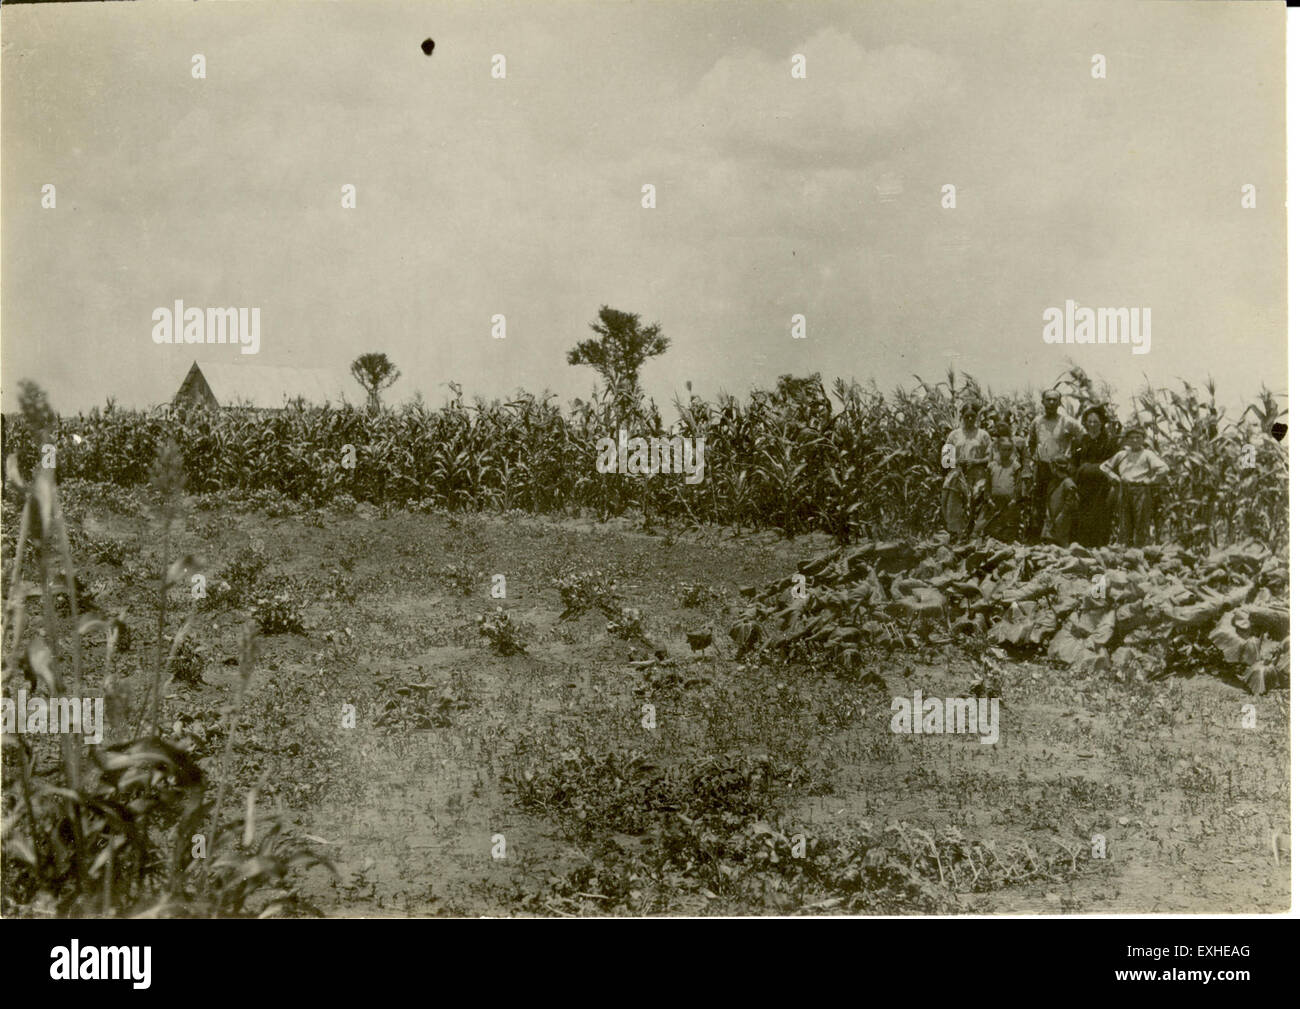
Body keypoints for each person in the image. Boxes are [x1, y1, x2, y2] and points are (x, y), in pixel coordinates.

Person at [1028, 390, 1084, 541]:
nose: (1051, 403)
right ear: (1043, 402)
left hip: (1061, 469)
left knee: (1060, 504)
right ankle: (1041, 539)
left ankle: (1061, 539)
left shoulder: (1067, 421)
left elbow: (1083, 438)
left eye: (1054, 400)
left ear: (1059, 403)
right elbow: (1032, 443)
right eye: (1048, 400)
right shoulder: (1037, 422)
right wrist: (1035, 460)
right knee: (1040, 503)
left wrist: (1073, 460)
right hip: (1043, 468)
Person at [1101, 426, 1170, 547]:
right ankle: (1125, 553)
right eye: (1131, 438)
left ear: (1143, 439)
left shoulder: (1147, 454)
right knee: (1124, 521)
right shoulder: (1122, 454)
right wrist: (1114, 477)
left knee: (1141, 522)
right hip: (1125, 489)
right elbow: (1104, 467)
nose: (1134, 440)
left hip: (1141, 489)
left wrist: (1152, 480)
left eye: (1138, 437)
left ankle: (1141, 552)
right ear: (1127, 440)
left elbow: (1164, 468)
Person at [940, 402, 992, 538]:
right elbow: (945, 459)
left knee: (976, 504)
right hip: (957, 475)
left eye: (972, 417)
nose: (970, 419)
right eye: (967, 416)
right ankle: (956, 535)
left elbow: (991, 457)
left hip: (977, 475)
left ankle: (974, 535)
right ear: (962, 416)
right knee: (955, 505)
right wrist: (957, 461)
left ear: (976, 417)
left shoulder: (983, 435)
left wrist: (976, 461)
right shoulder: (954, 435)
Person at [1072, 404, 1116, 547]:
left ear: (1102, 423)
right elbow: (1074, 463)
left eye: (1095, 422)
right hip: (1083, 485)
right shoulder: (1080, 441)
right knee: (1083, 515)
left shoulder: (1109, 442)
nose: (1092, 425)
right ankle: (1084, 548)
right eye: (1089, 421)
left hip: (1101, 485)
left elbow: (1111, 463)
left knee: (1100, 515)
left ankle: (1100, 548)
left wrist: (1088, 468)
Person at [975, 425, 1022, 542]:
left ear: (1012, 450)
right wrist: (988, 499)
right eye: (1003, 449)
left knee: (1008, 527)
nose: (1006, 452)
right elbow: (988, 485)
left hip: (1009, 503)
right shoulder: (992, 466)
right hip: (993, 503)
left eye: (1009, 450)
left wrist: (1014, 500)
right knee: (986, 527)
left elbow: (1018, 484)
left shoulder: (1015, 466)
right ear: (998, 449)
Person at [1041, 456, 1079, 546]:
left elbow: (1070, 503)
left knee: (1061, 544)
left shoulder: (1068, 483)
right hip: (1051, 519)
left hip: (1062, 520)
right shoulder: (1053, 482)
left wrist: (1061, 517)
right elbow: (1048, 500)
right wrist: (1048, 514)